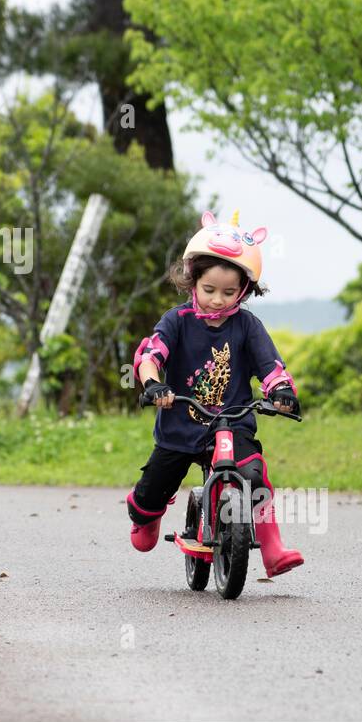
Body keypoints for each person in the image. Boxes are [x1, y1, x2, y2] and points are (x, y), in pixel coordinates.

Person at [126, 210, 304, 578]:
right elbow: (151, 355)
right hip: (180, 425)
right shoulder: (177, 321)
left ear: (244, 290)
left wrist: (282, 390)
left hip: (231, 422)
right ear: (193, 281)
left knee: (254, 473)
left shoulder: (247, 325)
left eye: (228, 292)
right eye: (209, 290)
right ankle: (146, 514)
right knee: (149, 495)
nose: (218, 300)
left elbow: (270, 366)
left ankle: (272, 549)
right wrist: (153, 383)